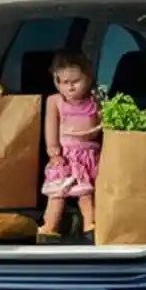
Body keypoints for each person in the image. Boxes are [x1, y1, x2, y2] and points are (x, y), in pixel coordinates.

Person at [38, 51, 102, 242]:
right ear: (57, 82)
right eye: (64, 82)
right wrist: (53, 151)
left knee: (86, 193)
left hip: (89, 155)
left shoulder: (95, 101)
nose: (71, 87)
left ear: (88, 79)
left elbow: (101, 126)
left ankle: (90, 225)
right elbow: (50, 127)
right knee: (57, 193)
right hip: (66, 156)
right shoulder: (55, 101)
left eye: (76, 81)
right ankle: (49, 228)